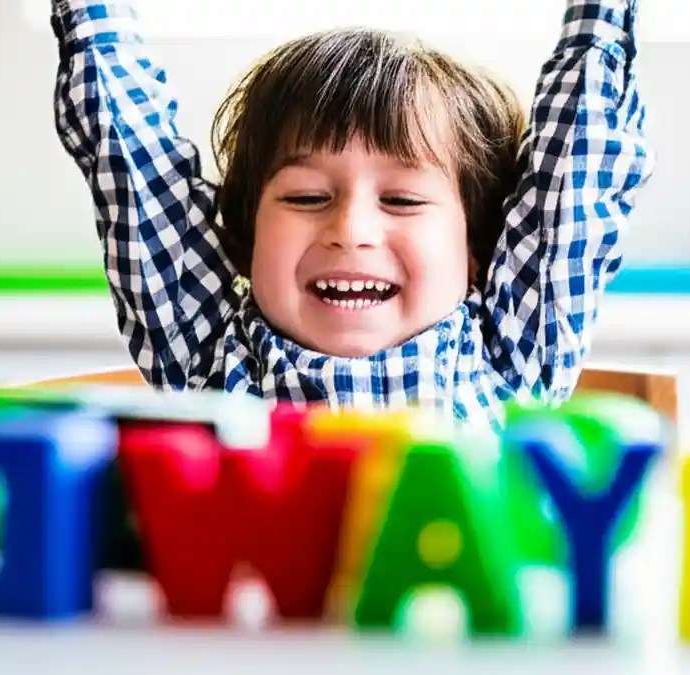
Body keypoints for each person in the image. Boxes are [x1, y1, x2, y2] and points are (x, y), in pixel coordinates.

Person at [50, 0, 653, 430]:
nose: (352, 232)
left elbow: (581, 152)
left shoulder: (513, 355)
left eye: (403, 200)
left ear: (477, 247)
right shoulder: (207, 353)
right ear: (243, 233)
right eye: (307, 197)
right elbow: (129, 153)